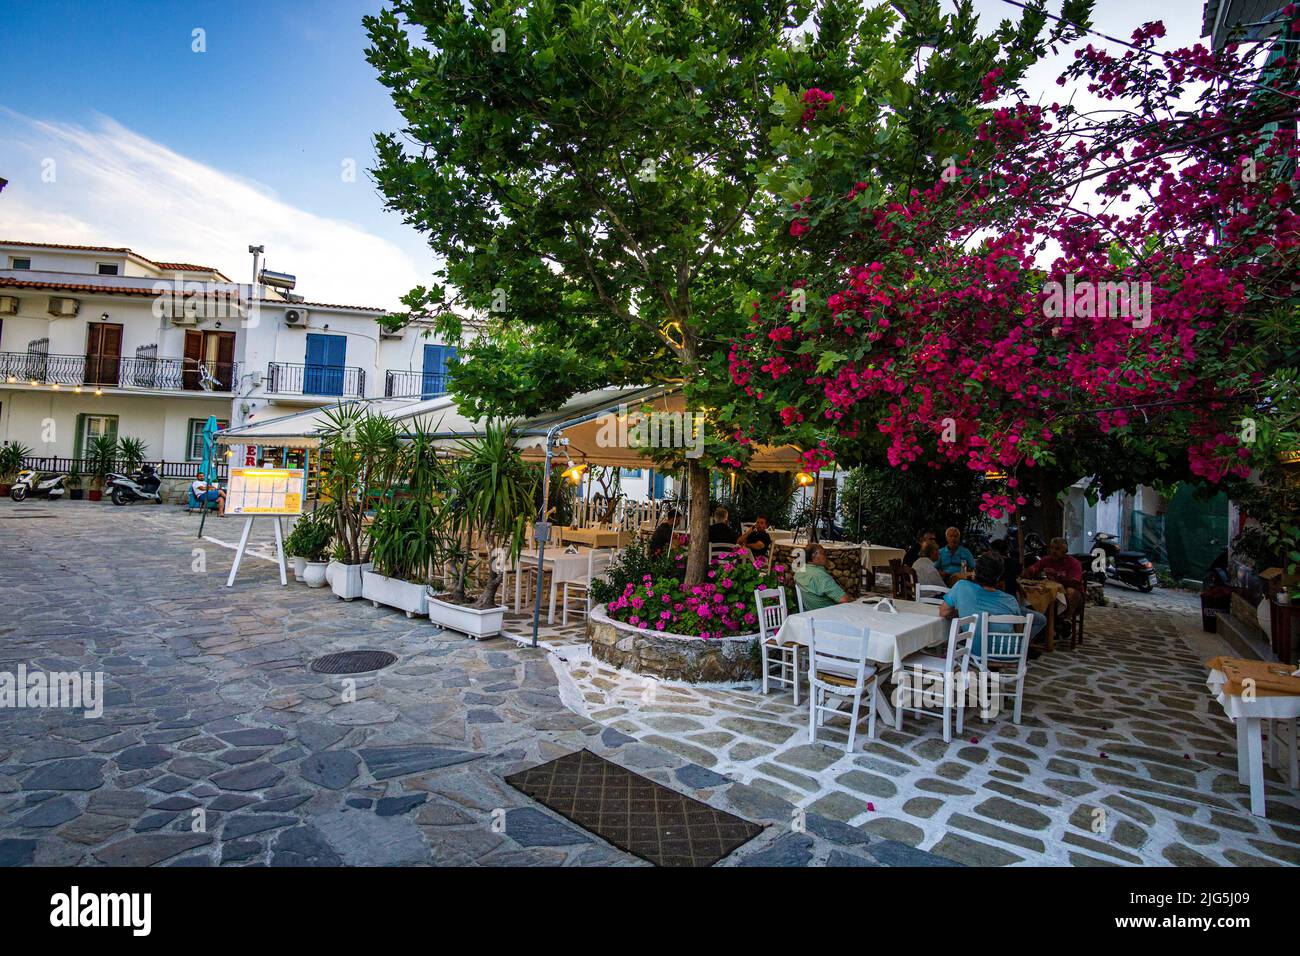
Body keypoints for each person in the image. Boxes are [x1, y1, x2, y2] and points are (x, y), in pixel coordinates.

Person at [939, 553, 1046, 653]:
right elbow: (1018, 630)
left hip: (977, 652)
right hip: (1009, 652)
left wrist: (961, 611)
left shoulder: (961, 587)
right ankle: (1021, 649)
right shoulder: (1011, 601)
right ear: (999, 576)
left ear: (975, 571)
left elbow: (943, 612)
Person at [1023, 536, 1085, 621]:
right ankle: (1045, 621)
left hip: (1073, 598)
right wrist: (1031, 570)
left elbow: (1074, 583)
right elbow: (1034, 568)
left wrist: (1057, 575)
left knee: (1071, 591)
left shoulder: (1074, 563)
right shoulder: (1047, 559)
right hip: (1054, 594)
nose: (1053, 551)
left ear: (1065, 551)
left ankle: (1066, 619)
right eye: (1052, 548)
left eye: (1057, 549)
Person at [794, 543, 853, 611]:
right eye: (824, 553)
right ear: (814, 556)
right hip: (829, 614)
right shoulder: (820, 575)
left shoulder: (799, 571)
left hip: (811, 613)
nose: (826, 556)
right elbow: (844, 600)